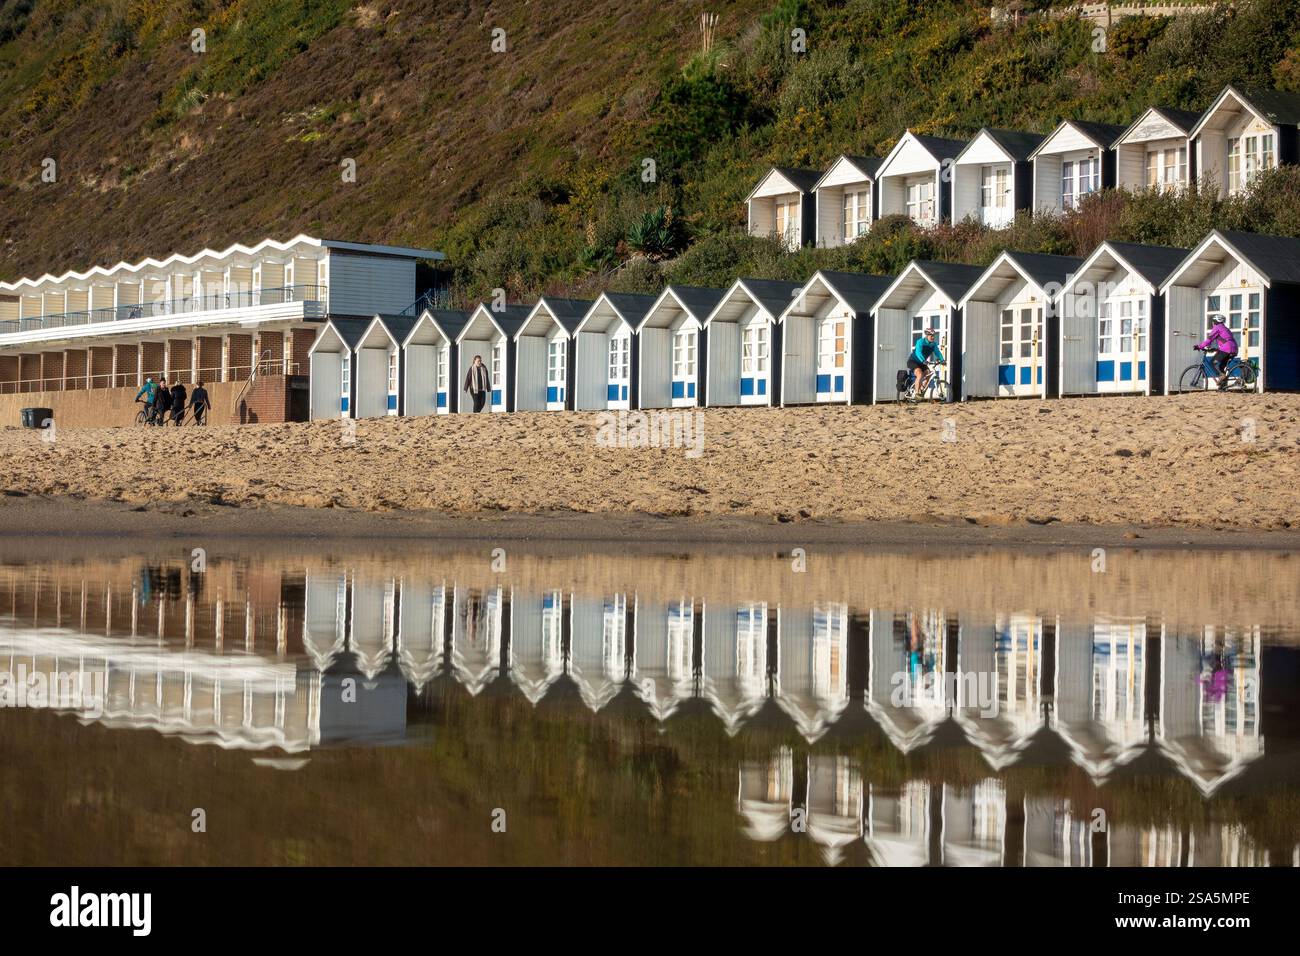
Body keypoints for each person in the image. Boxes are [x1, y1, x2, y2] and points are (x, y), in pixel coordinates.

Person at [1197, 314, 1239, 387]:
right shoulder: (1225, 328)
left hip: (1227, 349)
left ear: (1215, 321)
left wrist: (1199, 346)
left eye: (1213, 321)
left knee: (1212, 363)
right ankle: (1223, 387)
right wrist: (1215, 349)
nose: (1212, 323)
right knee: (1221, 367)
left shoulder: (1217, 327)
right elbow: (1225, 340)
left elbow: (1210, 339)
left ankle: (1222, 376)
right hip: (1234, 349)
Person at [908, 328, 945, 396]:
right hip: (913, 361)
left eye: (933, 336)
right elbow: (918, 352)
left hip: (922, 362)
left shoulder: (933, 344)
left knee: (929, 374)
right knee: (920, 374)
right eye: (931, 336)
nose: (933, 337)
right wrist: (923, 360)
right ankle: (917, 393)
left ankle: (921, 389)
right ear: (927, 336)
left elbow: (937, 352)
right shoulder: (920, 342)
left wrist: (942, 360)